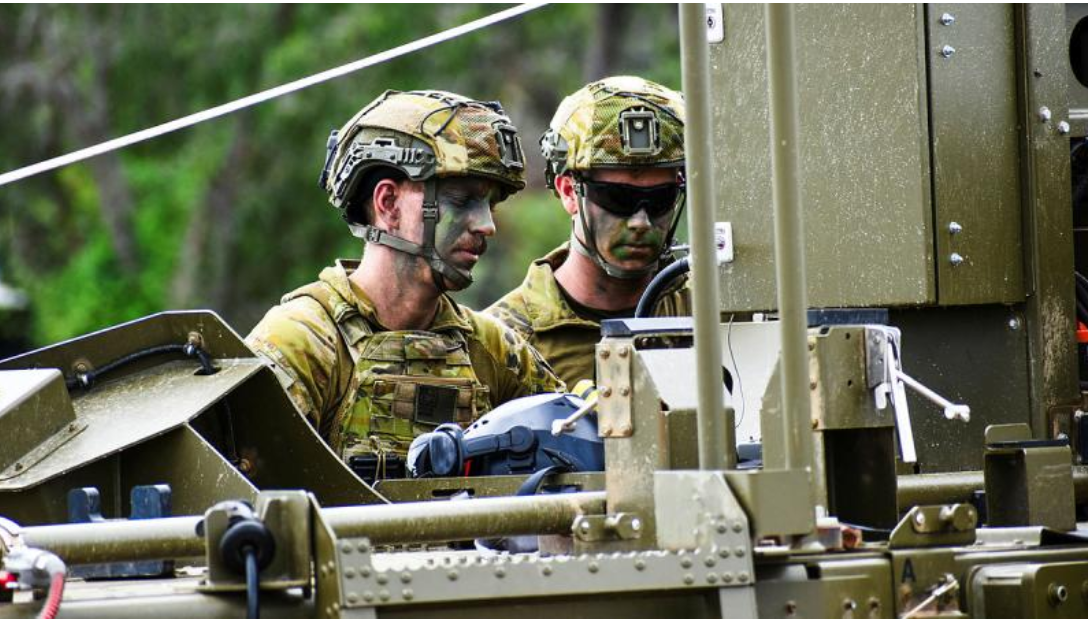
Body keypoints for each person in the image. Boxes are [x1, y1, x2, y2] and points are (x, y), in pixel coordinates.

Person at [246, 90, 563, 477]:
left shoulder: (493, 351)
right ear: (388, 204)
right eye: (462, 201)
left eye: (490, 205)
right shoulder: (302, 343)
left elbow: (574, 454)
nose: (487, 225)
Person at [487, 76, 690, 388]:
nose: (641, 221)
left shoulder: (715, 310)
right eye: (618, 198)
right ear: (569, 191)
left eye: (660, 198)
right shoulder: (501, 341)